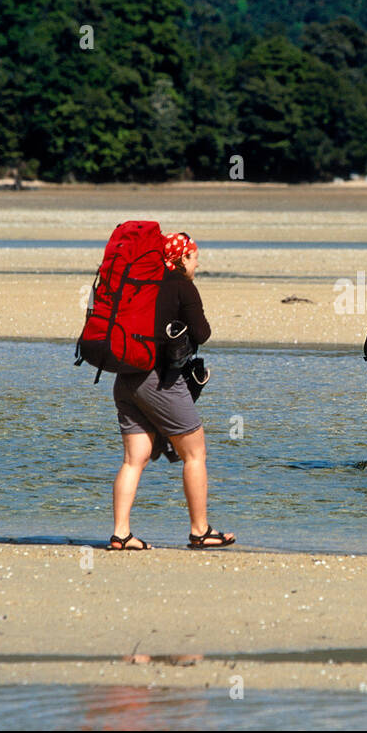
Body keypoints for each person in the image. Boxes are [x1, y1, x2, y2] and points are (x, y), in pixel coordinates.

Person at [108, 231, 235, 550]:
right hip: (159, 379)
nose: (197, 264)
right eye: (194, 257)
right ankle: (200, 530)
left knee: (133, 460)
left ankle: (121, 534)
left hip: (125, 377)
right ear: (182, 258)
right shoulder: (182, 286)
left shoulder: (140, 281)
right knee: (195, 453)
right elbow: (203, 333)